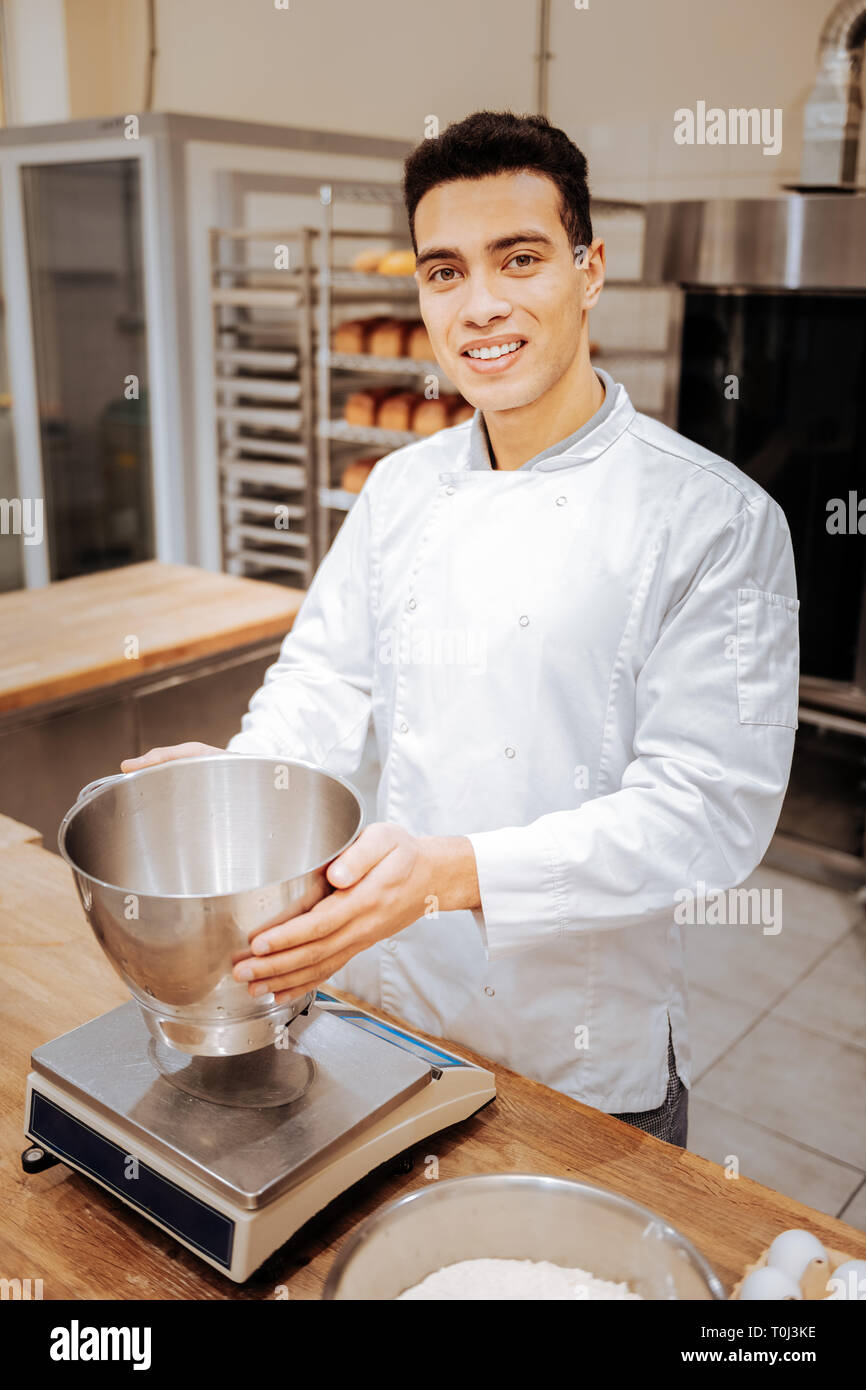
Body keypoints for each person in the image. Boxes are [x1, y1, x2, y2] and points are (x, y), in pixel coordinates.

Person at [122, 111, 800, 1147]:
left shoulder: (714, 519)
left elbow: (704, 815)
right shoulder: (400, 488)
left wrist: (450, 874)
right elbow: (321, 688)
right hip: (384, 1018)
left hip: (578, 1052)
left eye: (517, 258)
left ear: (589, 269)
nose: (479, 304)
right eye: (444, 272)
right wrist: (234, 793)